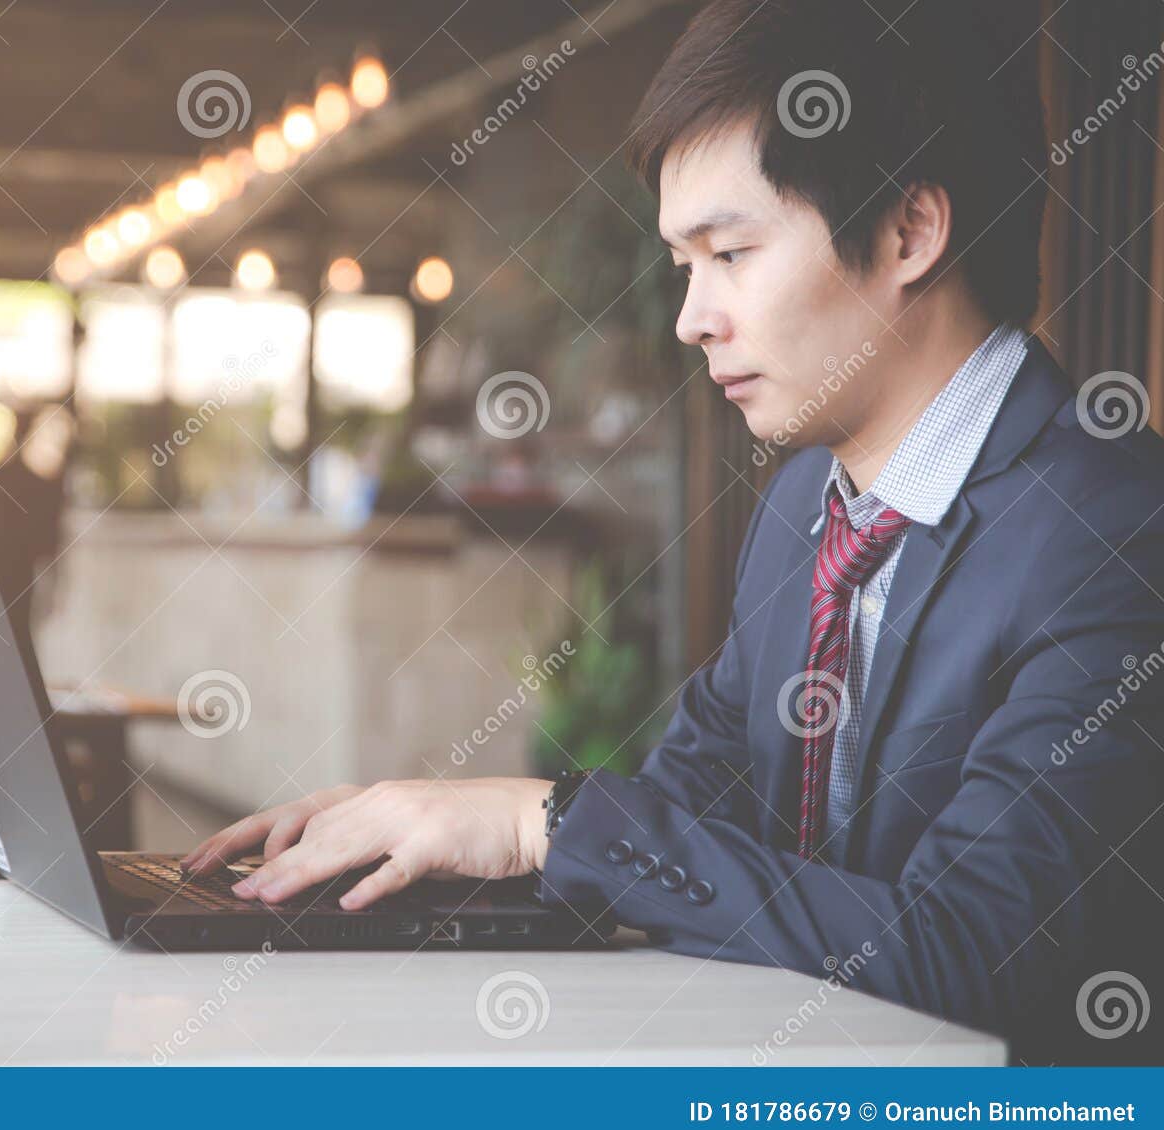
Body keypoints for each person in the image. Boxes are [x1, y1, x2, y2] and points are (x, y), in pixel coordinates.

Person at [183, 0, 1164, 1064]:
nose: (692, 315)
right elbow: (685, 818)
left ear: (907, 233)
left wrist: (542, 823)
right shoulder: (803, 512)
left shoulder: (1113, 534)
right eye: (683, 263)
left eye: (730, 253)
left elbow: (971, 956)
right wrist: (424, 837)